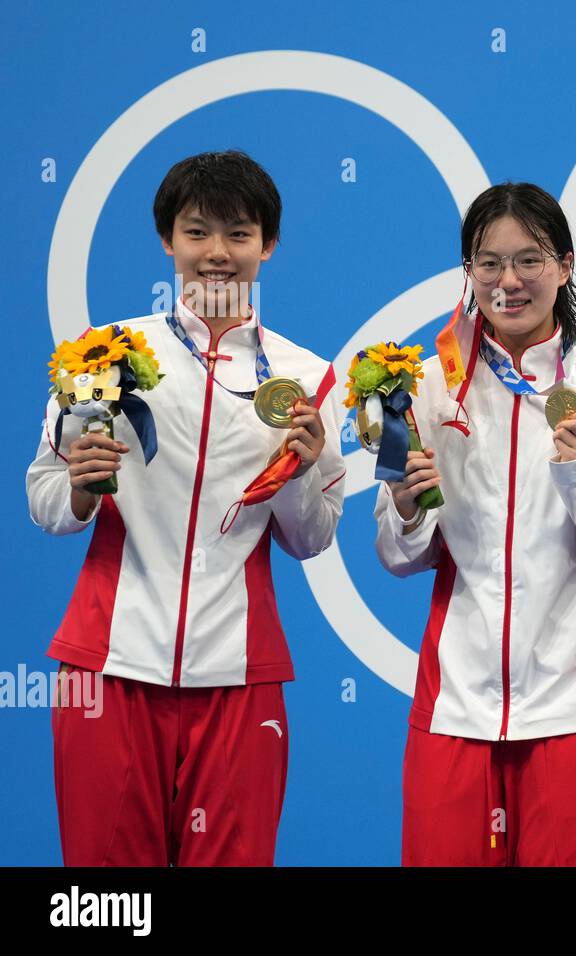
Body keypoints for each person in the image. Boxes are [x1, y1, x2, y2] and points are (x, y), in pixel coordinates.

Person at [27, 150, 344, 866]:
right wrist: (80, 483)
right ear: (167, 240)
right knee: (108, 902)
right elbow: (45, 500)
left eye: (239, 234)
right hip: (109, 666)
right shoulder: (100, 355)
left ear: (269, 245)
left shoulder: (306, 377)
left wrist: (299, 470)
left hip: (238, 673)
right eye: (197, 232)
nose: (217, 254)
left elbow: (314, 537)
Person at [375, 182, 576, 866]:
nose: (508, 282)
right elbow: (392, 551)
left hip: (575, 710)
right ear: (468, 273)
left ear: (564, 265)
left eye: (528, 260)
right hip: (455, 709)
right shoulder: (412, 386)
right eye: (488, 263)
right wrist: (410, 507)